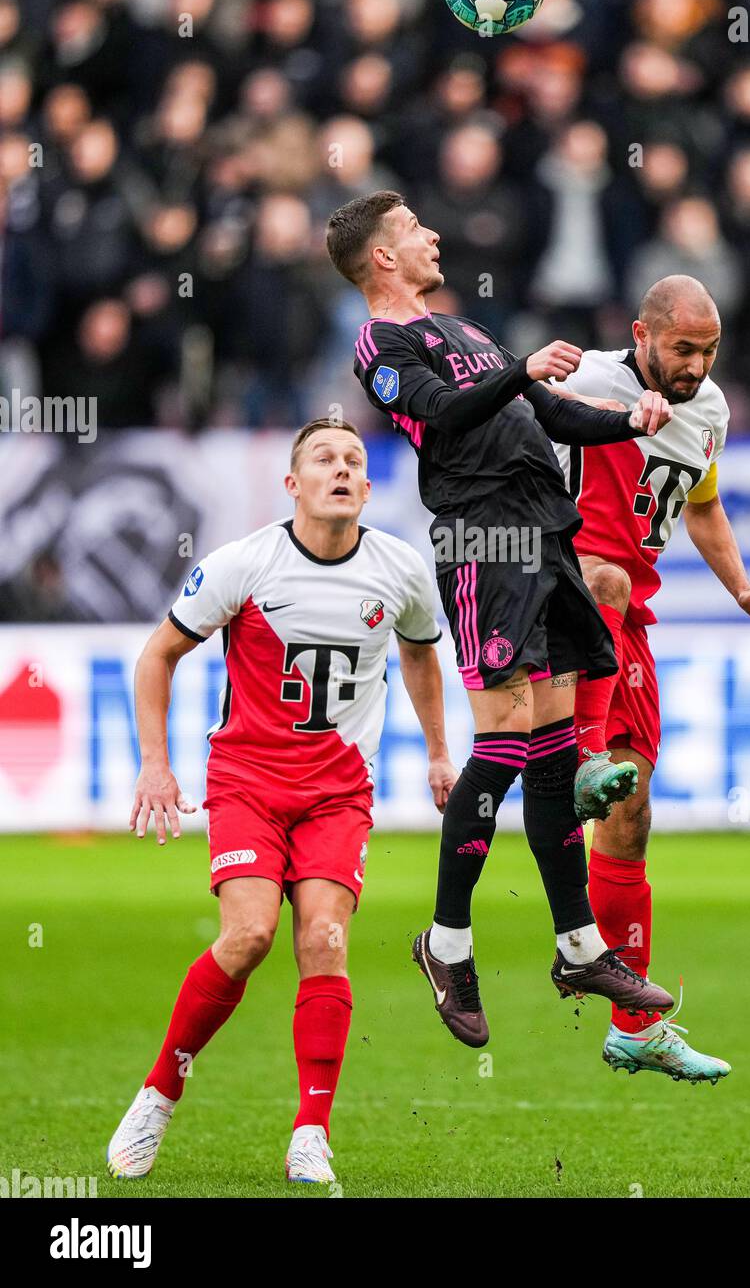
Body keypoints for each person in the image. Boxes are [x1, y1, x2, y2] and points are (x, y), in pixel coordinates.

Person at [326, 189, 676, 1049]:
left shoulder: (467, 330)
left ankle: (578, 946)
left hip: (545, 529)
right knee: (508, 739)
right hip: (486, 534)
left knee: (552, 744)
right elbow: (442, 417)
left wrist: (624, 420)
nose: (432, 233)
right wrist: (519, 369)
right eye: (412, 228)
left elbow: (545, 413)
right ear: (379, 257)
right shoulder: (383, 341)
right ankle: (446, 946)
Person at [106, 418, 456, 1184]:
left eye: (354, 461)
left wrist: (437, 752)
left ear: (368, 487)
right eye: (323, 459)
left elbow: (422, 656)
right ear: (292, 485)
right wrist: (155, 766)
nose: (341, 468)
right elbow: (157, 655)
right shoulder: (244, 564)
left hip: (338, 793)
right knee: (250, 936)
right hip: (248, 783)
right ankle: (160, 1091)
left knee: (324, 940)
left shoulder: (399, 569)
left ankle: (310, 1130)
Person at [550, 274, 750, 1082]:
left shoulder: (711, 412)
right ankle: (578, 752)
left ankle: (635, 1026)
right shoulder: (587, 381)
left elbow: (700, 506)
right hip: (561, 594)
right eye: (683, 348)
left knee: (629, 817)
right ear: (641, 335)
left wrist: (742, 589)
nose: (696, 365)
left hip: (628, 623)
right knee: (608, 580)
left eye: (709, 350)